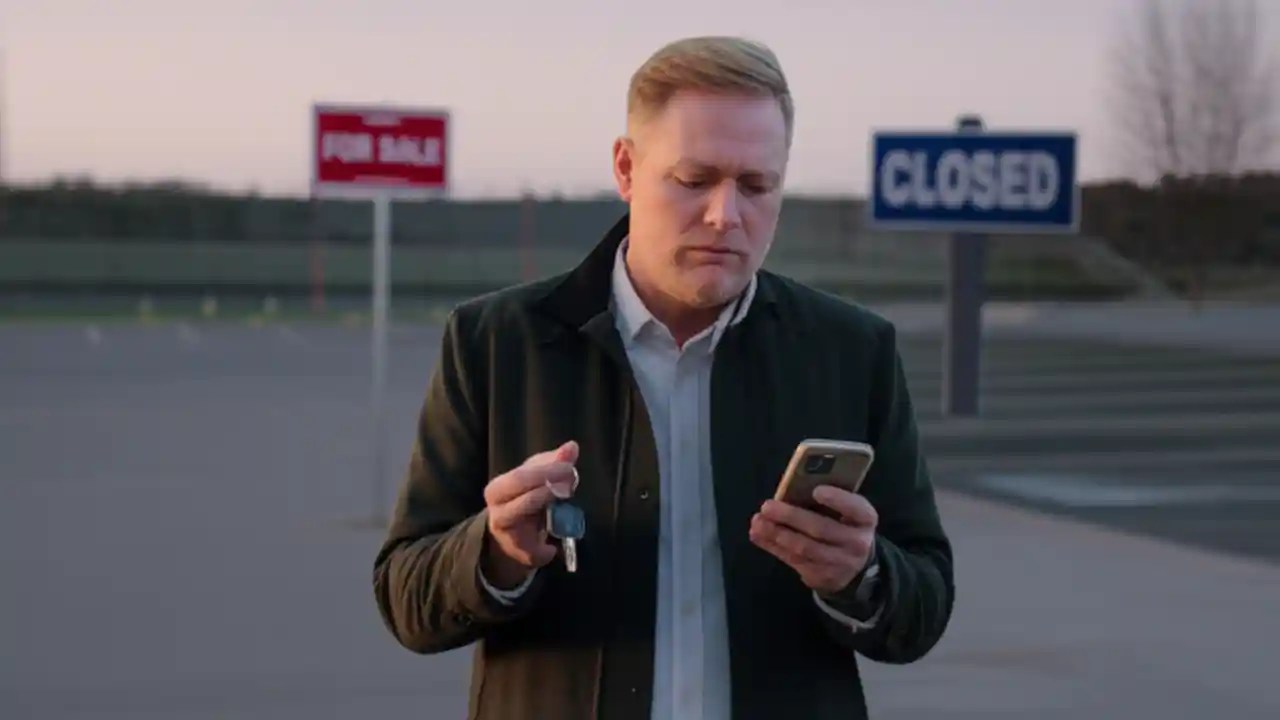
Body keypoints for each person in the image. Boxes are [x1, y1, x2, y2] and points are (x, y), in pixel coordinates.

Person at [372, 35, 954, 720]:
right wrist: (495, 554)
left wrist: (861, 575)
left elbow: (925, 600)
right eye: (695, 179)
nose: (725, 216)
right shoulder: (496, 342)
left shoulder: (854, 349)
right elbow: (406, 598)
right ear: (626, 167)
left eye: (757, 186)